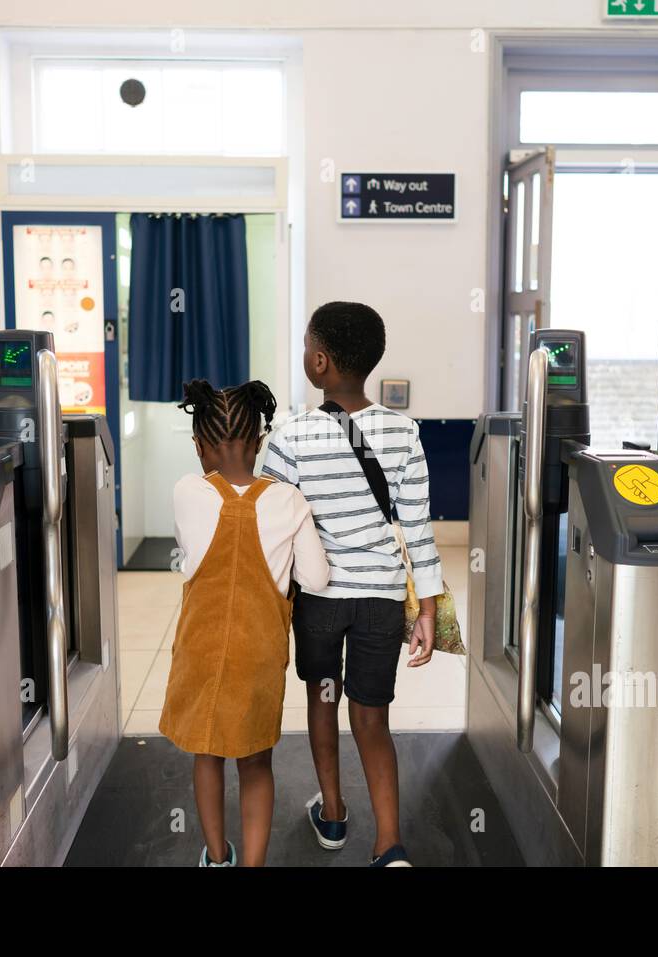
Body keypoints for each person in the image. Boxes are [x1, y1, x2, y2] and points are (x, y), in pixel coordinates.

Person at [263, 301, 443, 867]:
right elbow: (417, 526)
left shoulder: (290, 435)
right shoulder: (404, 432)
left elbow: (273, 526)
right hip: (381, 599)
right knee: (372, 716)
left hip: (317, 599)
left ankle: (335, 814)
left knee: (324, 698)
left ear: (319, 362)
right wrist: (429, 609)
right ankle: (390, 844)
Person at [159, 378, 330, 867]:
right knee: (257, 763)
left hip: (201, 653)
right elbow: (316, 578)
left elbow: (192, 554)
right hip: (258, 657)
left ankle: (217, 856)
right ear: (260, 443)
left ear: (199, 445)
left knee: (207, 753)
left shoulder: (188, 491)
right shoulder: (289, 501)